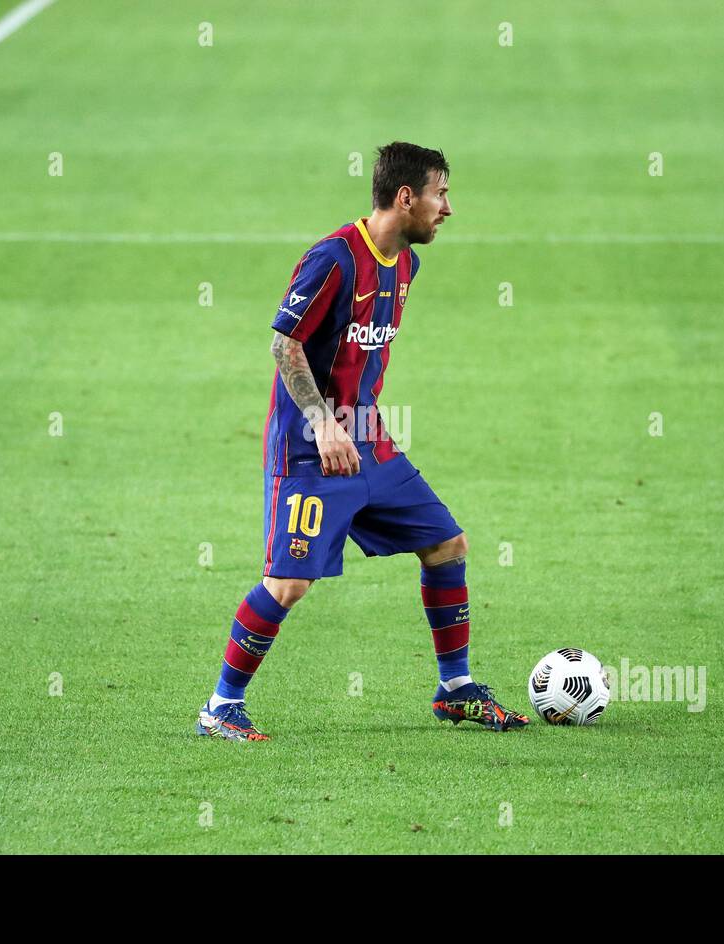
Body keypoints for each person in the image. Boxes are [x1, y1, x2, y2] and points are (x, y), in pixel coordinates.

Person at [196, 142, 529, 741]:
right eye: (441, 194)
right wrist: (323, 422)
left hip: (370, 440)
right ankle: (220, 706)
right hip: (310, 447)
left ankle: (455, 689)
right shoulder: (333, 260)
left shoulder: (406, 265)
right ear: (407, 197)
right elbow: (284, 345)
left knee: (447, 544)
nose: (447, 208)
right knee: (289, 583)